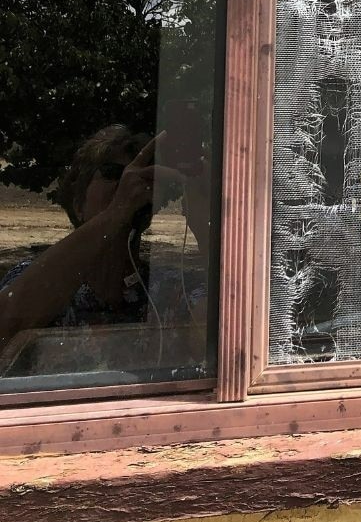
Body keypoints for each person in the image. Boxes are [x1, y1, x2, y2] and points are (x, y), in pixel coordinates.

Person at [0, 124, 212, 376]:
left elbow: (226, 336)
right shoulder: (37, 276)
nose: (127, 183)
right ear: (78, 201)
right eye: (113, 173)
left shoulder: (168, 288)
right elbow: (8, 322)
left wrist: (205, 218)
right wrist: (117, 212)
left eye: (141, 177)